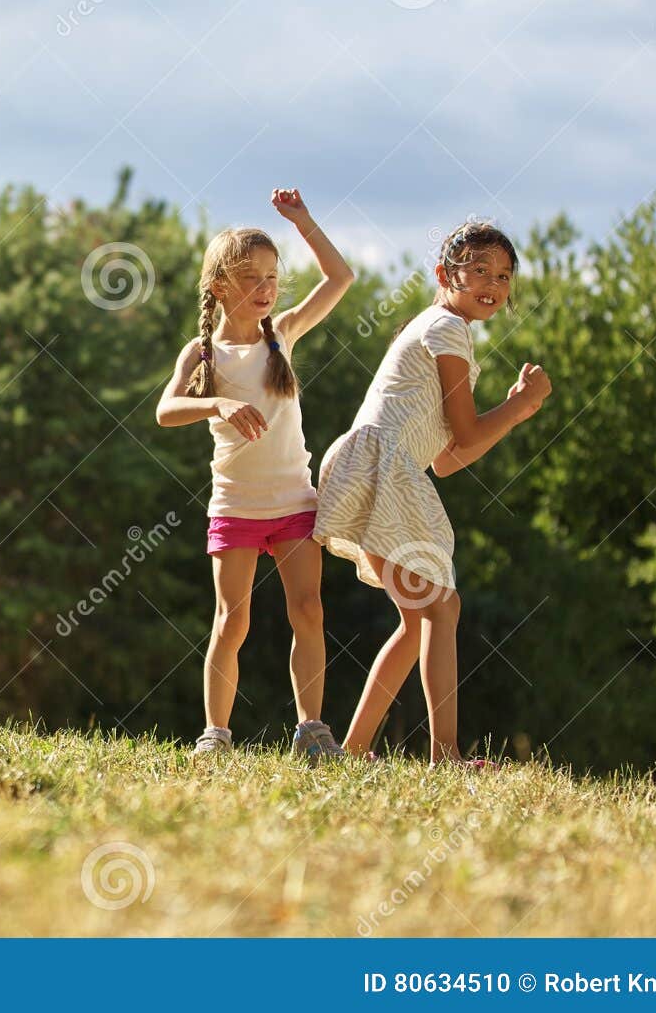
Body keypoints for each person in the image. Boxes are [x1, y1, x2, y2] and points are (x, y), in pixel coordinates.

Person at [315, 221, 550, 764]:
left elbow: (447, 460)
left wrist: (517, 411)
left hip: (382, 467)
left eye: (504, 275)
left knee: (424, 612)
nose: (492, 282)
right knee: (440, 608)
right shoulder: (447, 328)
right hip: (379, 466)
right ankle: (443, 755)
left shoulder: (444, 331)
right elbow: (466, 437)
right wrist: (519, 406)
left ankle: (354, 750)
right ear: (446, 274)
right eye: (479, 270)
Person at [156, 189, 356, 760]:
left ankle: (312, 731)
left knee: (310, 610)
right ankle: (215, 736)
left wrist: (303, 221)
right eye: (252, 278)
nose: (267, 289)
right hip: (236, 507)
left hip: (295, 500)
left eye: (272, 277)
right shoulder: (201, 355)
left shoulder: (283, 335)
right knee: (231, 618)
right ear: (219, 286)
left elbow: (340, 278)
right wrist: (215, 405)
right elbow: (165, 412)